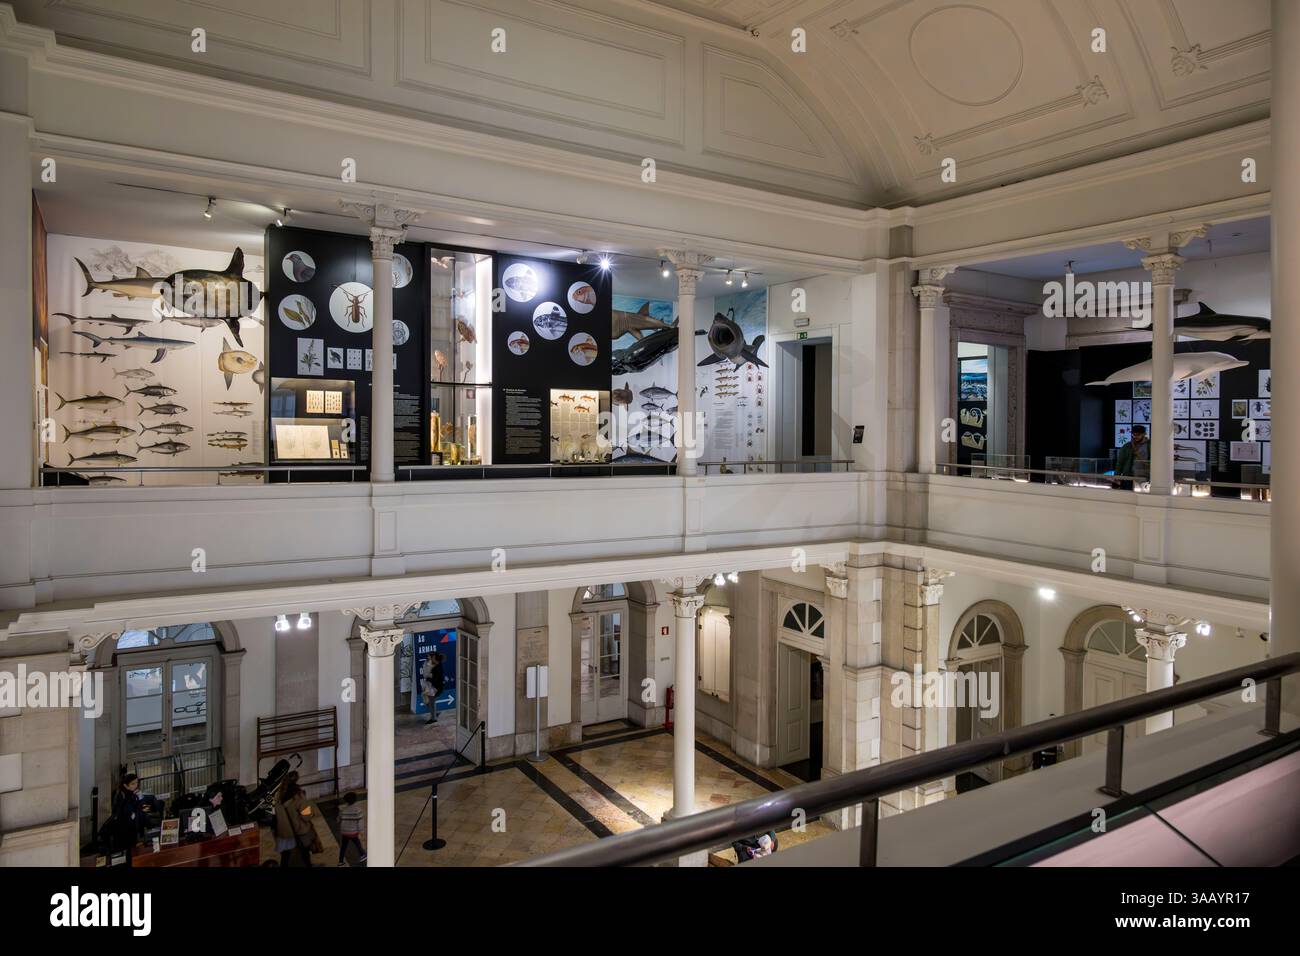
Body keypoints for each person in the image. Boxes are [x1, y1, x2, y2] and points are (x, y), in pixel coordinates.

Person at [273, 782, 317, 867]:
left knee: (286, 855)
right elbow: (307, 817)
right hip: (299, 832)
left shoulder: (279, 802)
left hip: (285, 833)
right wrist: (305, 800)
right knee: (305, 852)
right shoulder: (299, 801)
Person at [337, 792, 366, 866]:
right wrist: (361, 832)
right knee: (357, 844)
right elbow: (360, 823)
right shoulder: (357, 810)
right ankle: (363, 854)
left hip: (344, 832)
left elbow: (338, 820)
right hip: (353, 832)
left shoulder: (343, 810)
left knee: (343, 846)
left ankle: (340, 861)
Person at [422, 652, 446, 724]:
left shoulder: (437, 668)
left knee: (431, 702)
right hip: (435, 687)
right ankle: (434, 714)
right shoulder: (437, 666)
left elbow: (435, 679)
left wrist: (428, 678)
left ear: (435, 659)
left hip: (435, 688)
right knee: (430, 701)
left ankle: (433, 718)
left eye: (432, 658)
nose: (431, 659)